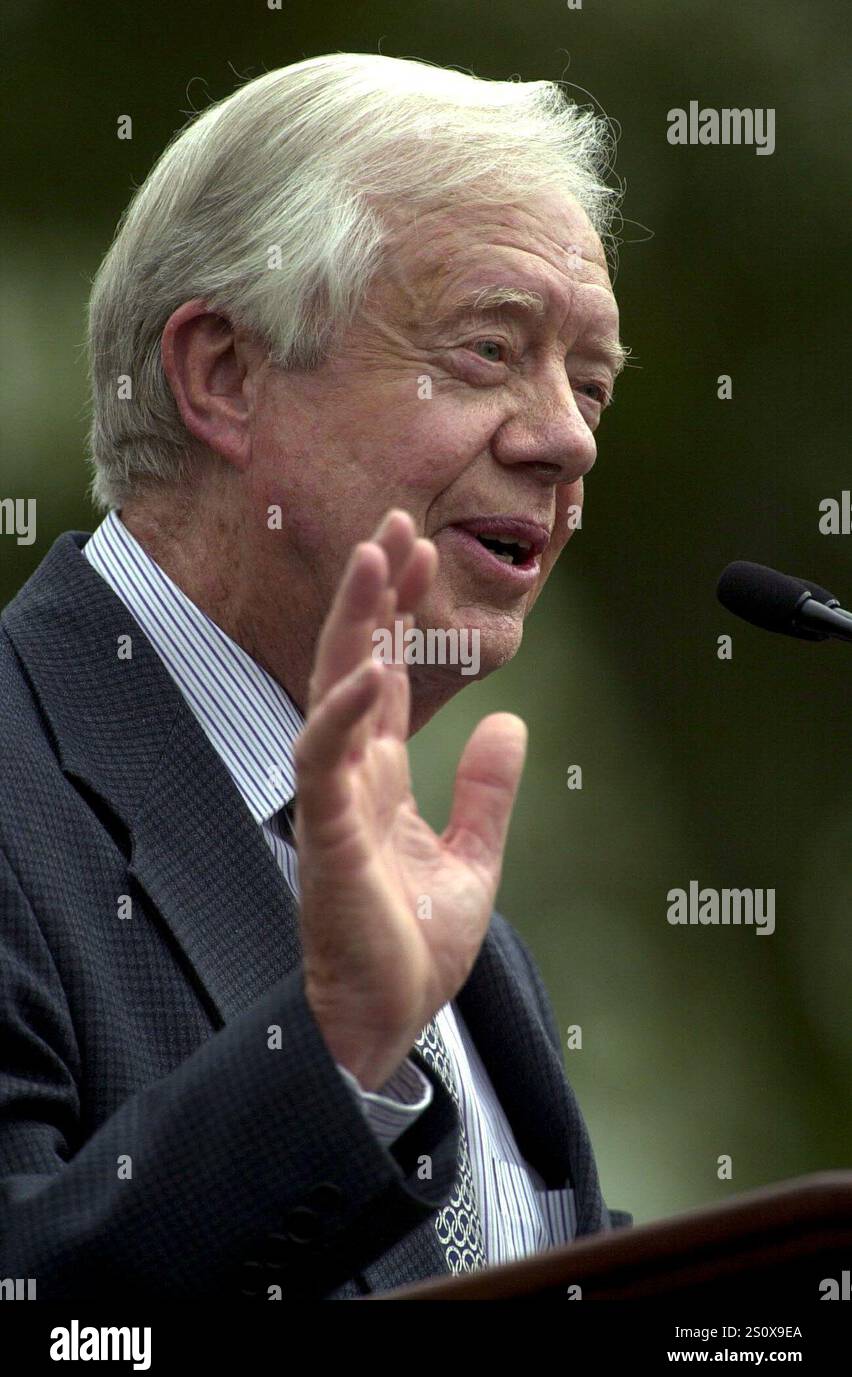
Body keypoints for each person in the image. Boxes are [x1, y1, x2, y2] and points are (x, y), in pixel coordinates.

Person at [0, 52, 631, 1299]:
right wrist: (334, 1052)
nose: (569, 438)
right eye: (491, 349)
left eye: (593, 382)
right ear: (224, 376)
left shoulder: (467, 943)